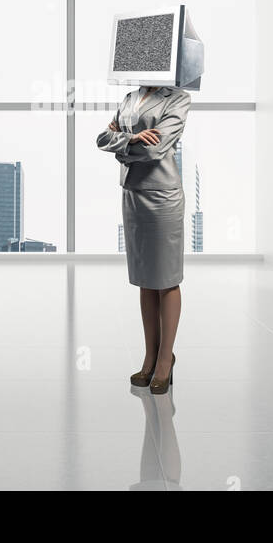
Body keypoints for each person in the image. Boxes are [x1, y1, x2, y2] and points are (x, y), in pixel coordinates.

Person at [97, 84, 192, 395]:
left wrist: (122, 142)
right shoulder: (129, 99)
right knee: (145, 279)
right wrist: (133, 138)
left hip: (162, 196)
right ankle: (150, 356)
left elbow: (156, 149)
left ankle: (166, 359)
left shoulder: (177, 98)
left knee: (166, 278)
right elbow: (101, 139)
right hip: (133, 194)